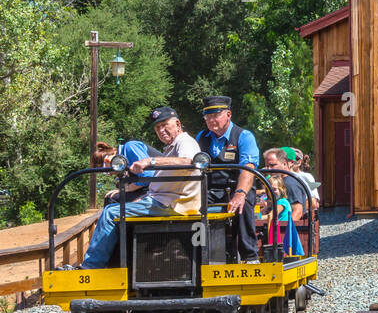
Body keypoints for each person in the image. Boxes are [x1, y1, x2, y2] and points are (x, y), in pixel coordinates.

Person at [79, 107, 202, 269]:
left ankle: (91, 267)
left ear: (177, 124)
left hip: (173, 204)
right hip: (163, 201)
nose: (161, 130)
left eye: (165, 125)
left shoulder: (185, 142)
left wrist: (149, 161)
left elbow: (188, 161)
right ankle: (114, 261)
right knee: (114, 206)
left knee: (111, 212)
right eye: (158, 128)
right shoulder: (170, 148)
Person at [195, 95, 260, 262]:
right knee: (188, 206)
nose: (211, 120)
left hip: (234, 187)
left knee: (242, 204)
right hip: (208, 189)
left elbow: (248, 169)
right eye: (207, 117)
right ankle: (195, 256)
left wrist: (239, 193)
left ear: (228, 115)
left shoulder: (244, 136)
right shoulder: (201, 137)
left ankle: (250, 256)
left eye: (215, 115)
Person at [93, 139, 159, 203]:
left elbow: (148, 175)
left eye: (106, 172)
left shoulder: (130, 147)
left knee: (111, 199)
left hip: (161, 190)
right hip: (154, 188)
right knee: (112, 197)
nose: (110, 174)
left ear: (107, 160)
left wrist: (125, 189)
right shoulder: (124, 163)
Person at [263, 147, 307, 222]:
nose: (269, 169)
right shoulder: (278, 181)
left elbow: (297, 211)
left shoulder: (290, 183)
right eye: (267, 166)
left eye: (272, 165)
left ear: (284, 164)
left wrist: (286, 230)